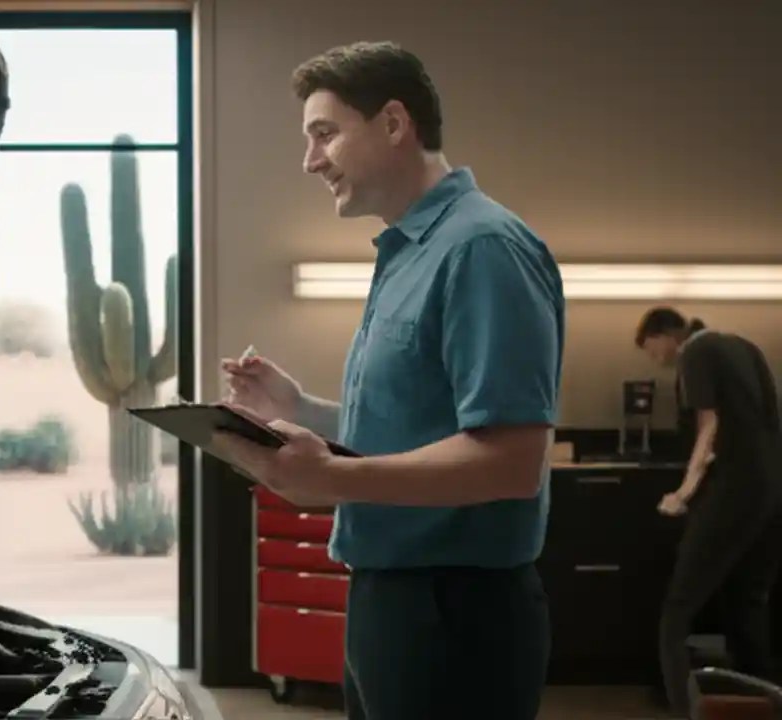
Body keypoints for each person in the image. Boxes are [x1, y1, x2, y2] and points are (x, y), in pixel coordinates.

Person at [210, 41, 565, 720]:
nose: (310, 160)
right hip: (392, 601)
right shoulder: (409, 251)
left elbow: (514, 462)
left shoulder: (481, 248)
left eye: (325, 134)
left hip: (455, 611)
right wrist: (301, 409)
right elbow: (409, 429)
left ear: (395, 124)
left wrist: (332, 480)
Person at [635, 307, 782, 716]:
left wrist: (682, 492)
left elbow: (710, 428)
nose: (656, 360)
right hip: (773, 492)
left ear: (667, 335)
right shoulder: (744, 347)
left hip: (734, 492)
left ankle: (684, 708)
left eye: (652, 349)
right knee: (747, 603)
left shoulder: (696, 353)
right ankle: (763, 705)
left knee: (676, 611)